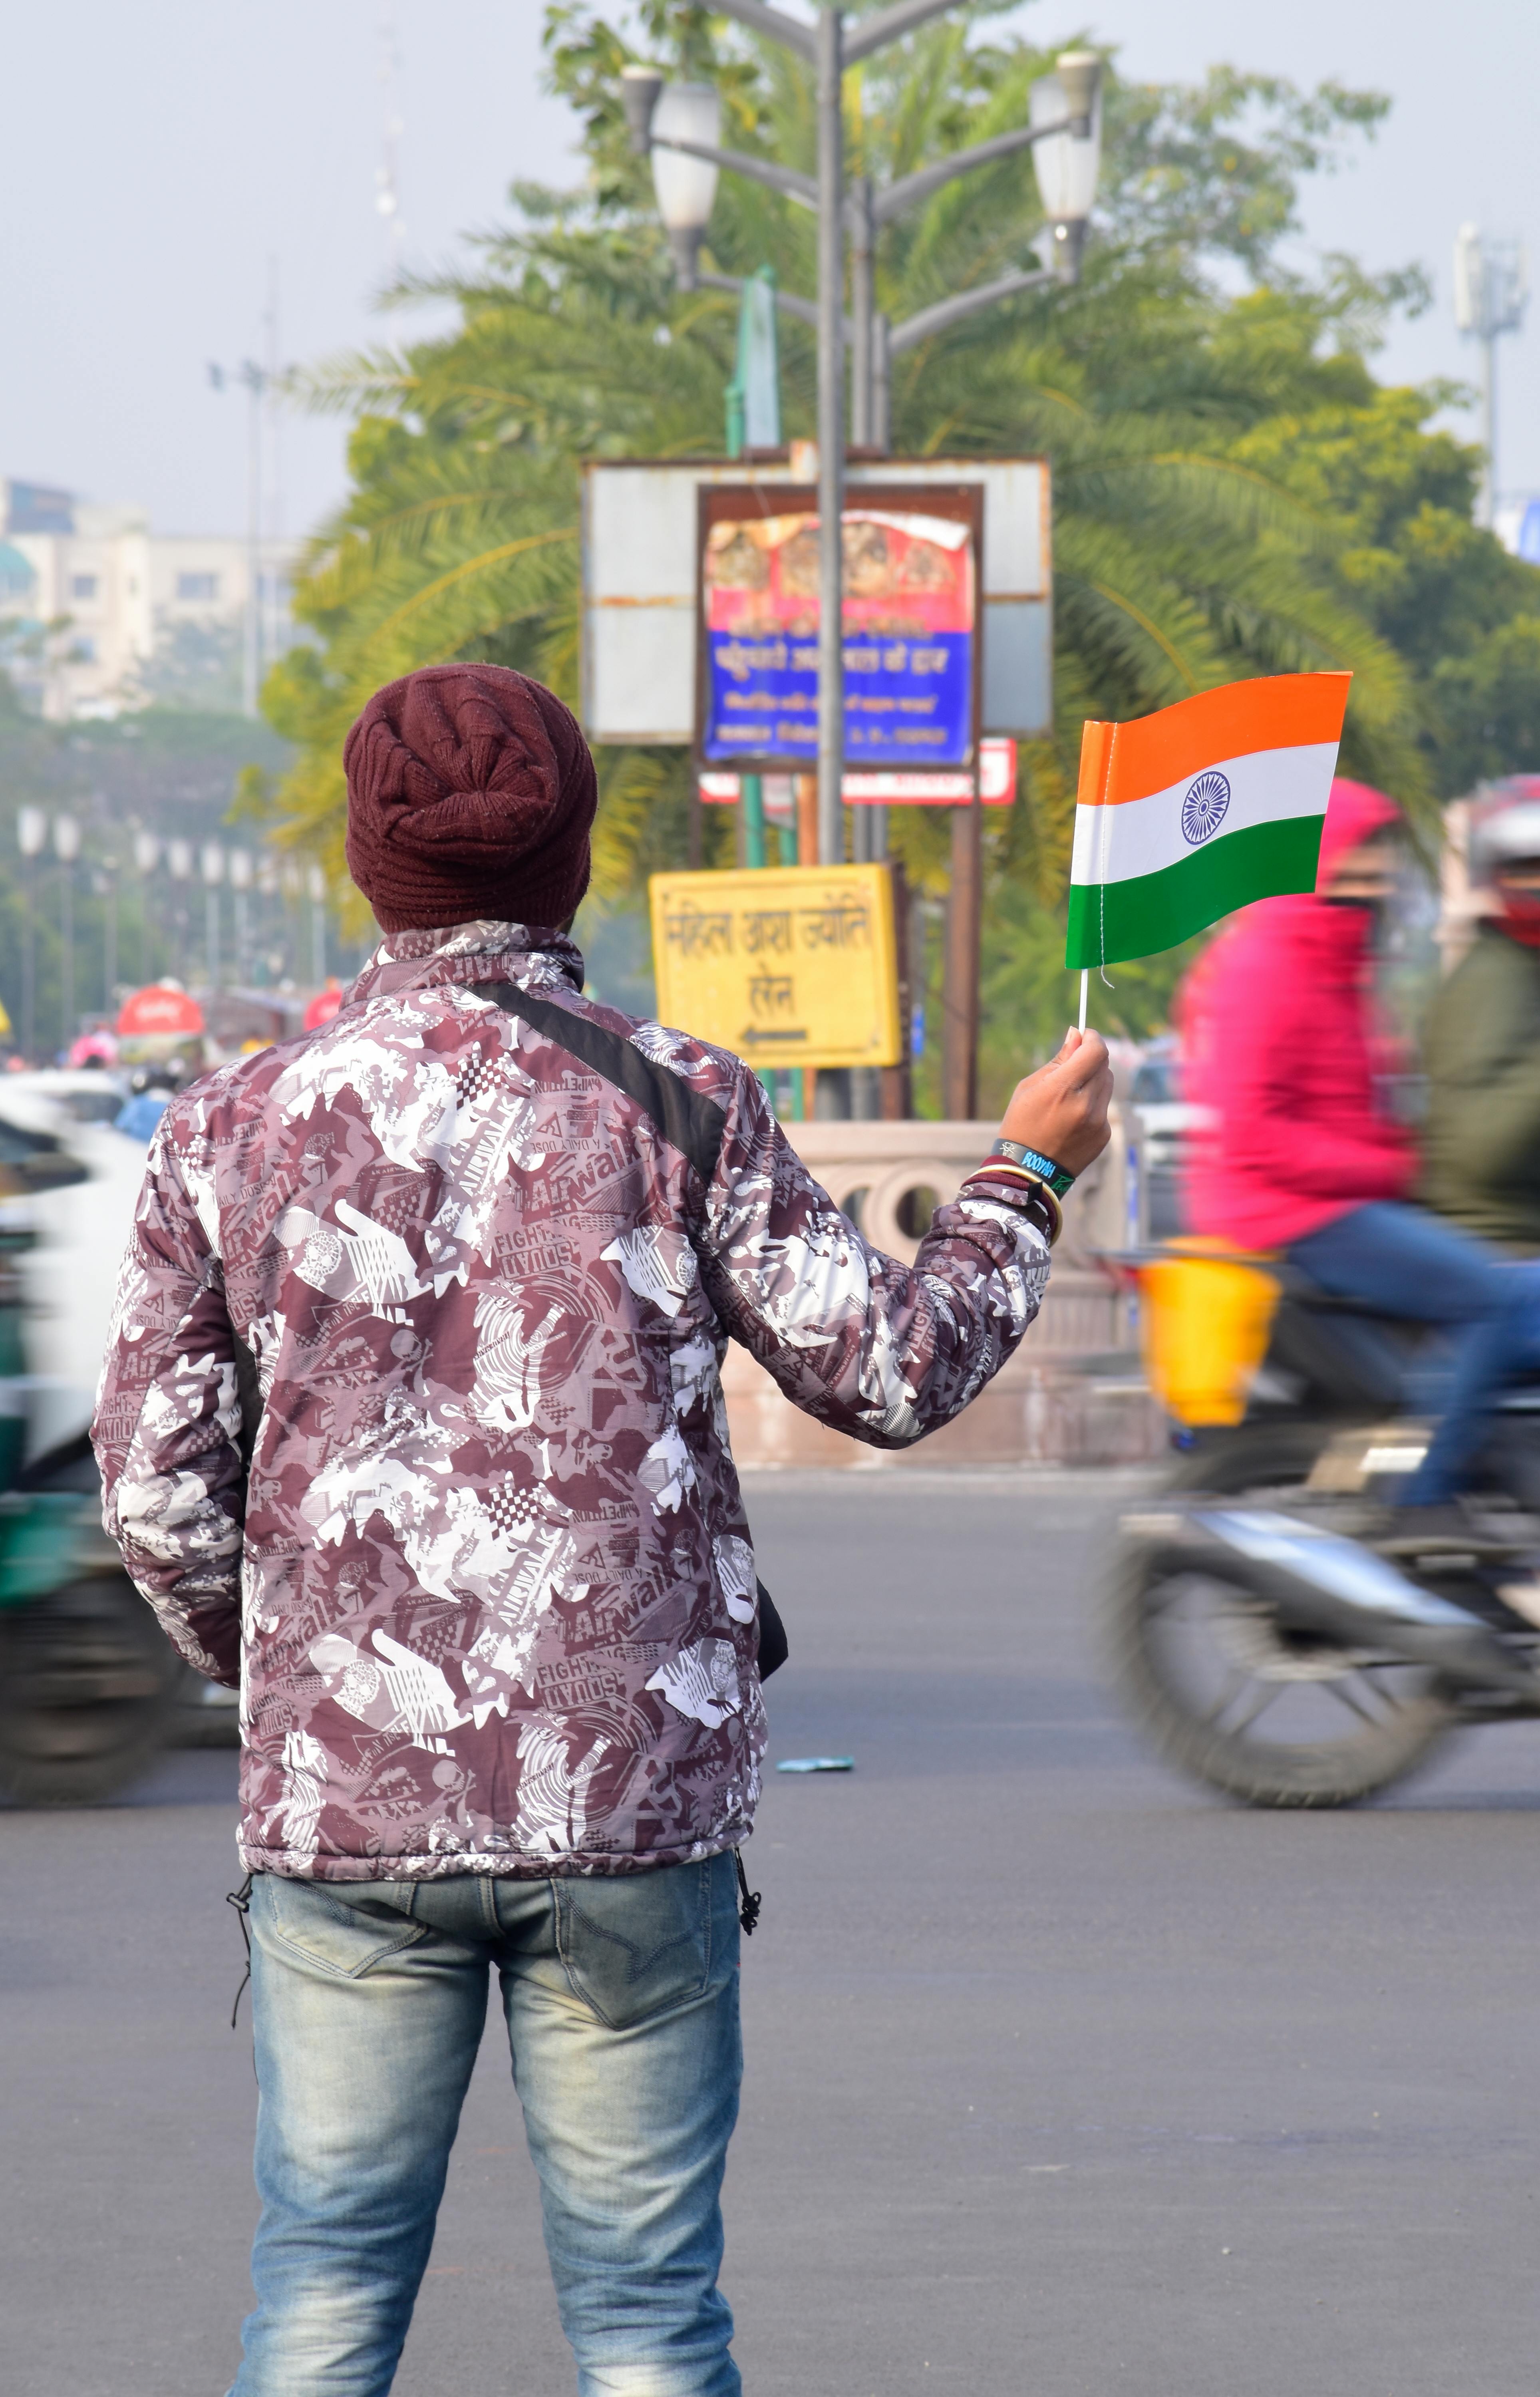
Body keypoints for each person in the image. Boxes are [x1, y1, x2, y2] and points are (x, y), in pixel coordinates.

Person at [91, 661, 1113, 2397]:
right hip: (629, 1806)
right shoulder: (678, 1099)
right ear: (572, 861)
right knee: (647, 2317)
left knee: (325, 2293)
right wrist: (1020, 1174)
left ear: (367, 865)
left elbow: (155, 1491)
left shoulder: (232, 1125)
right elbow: (885, 1370)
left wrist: (281, 1675)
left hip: (346, 1826)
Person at [1180, 776, 1513, 1524]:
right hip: (1289, 1214)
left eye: (1381, 865)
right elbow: (1251, 1132)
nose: (1375, 882)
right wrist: (1393, 1170)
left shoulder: (1339, 962)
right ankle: (1424, 1497)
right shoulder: (1267, 963)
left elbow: (1355, 1107)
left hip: (1338, 1202)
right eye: (1355, 865)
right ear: (1315, 865)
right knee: (1489, 1297)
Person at [1423, 785, 1540, 1659]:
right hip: (1504, 1260)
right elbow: (1487, 1146)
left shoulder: (1527, 977)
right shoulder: (1489, 989)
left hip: (1529, 1247)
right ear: (1509, 878)